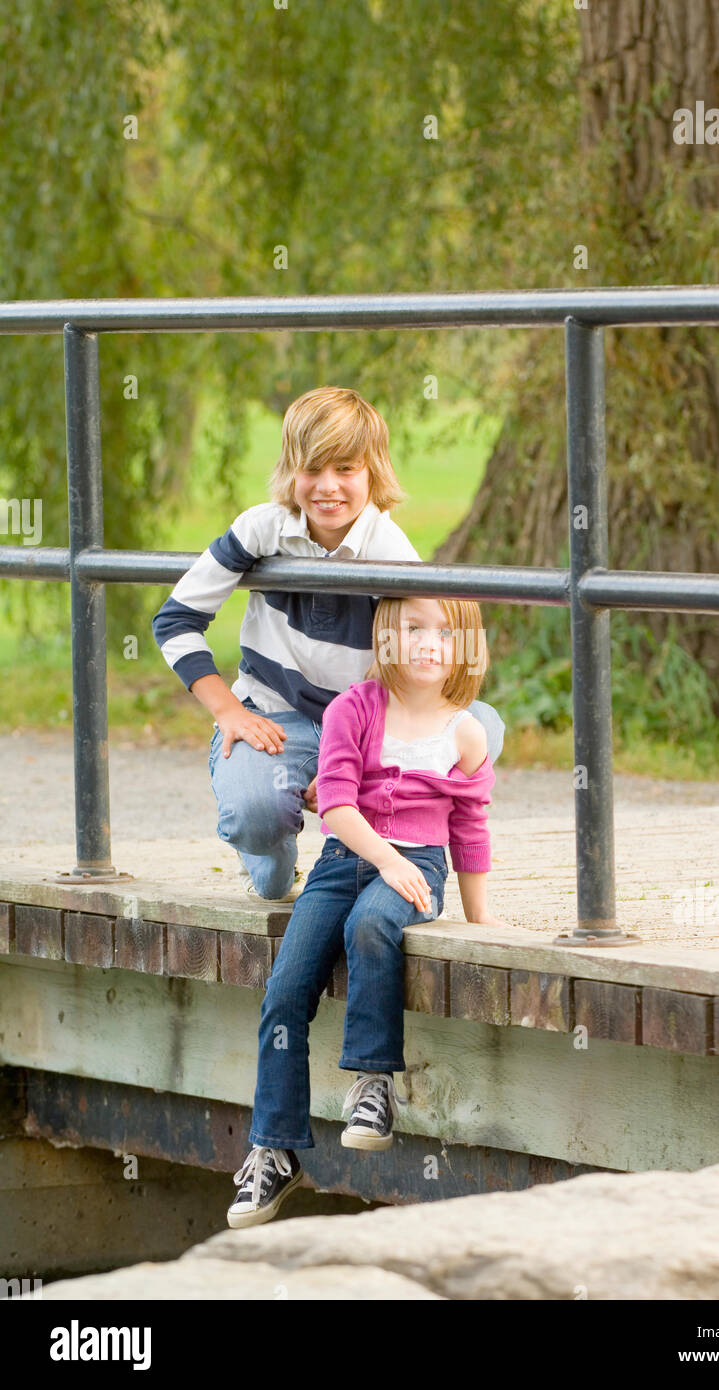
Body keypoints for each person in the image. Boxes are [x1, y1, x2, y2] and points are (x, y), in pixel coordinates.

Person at [151, 385, 504, 901]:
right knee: (257, 816)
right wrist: (228, 710)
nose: (327, 487)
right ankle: (272, 868)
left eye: (345, 469)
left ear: (373, 474)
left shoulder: (389, 553)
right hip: (276, 713)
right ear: (289, 470)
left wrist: (356, 760)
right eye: (311, 469)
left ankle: (399, 830)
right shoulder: (260, 529)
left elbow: (424, 652)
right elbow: (176, 619)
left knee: (484, 725)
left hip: (365, 721)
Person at [226, 593, 508, 1228]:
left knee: (372, 923)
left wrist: (479, 913)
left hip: (419, 868)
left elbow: (470, 827)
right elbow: (335, 805)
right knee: (286, 989)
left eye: (444, 632)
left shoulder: (464, 730)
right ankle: (274, 1148)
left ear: (465, 646)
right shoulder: (355, 708)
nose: (429, 642)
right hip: (343, 861)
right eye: (413, 628)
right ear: (385, 636)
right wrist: (385, 859)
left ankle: (373, 1083)